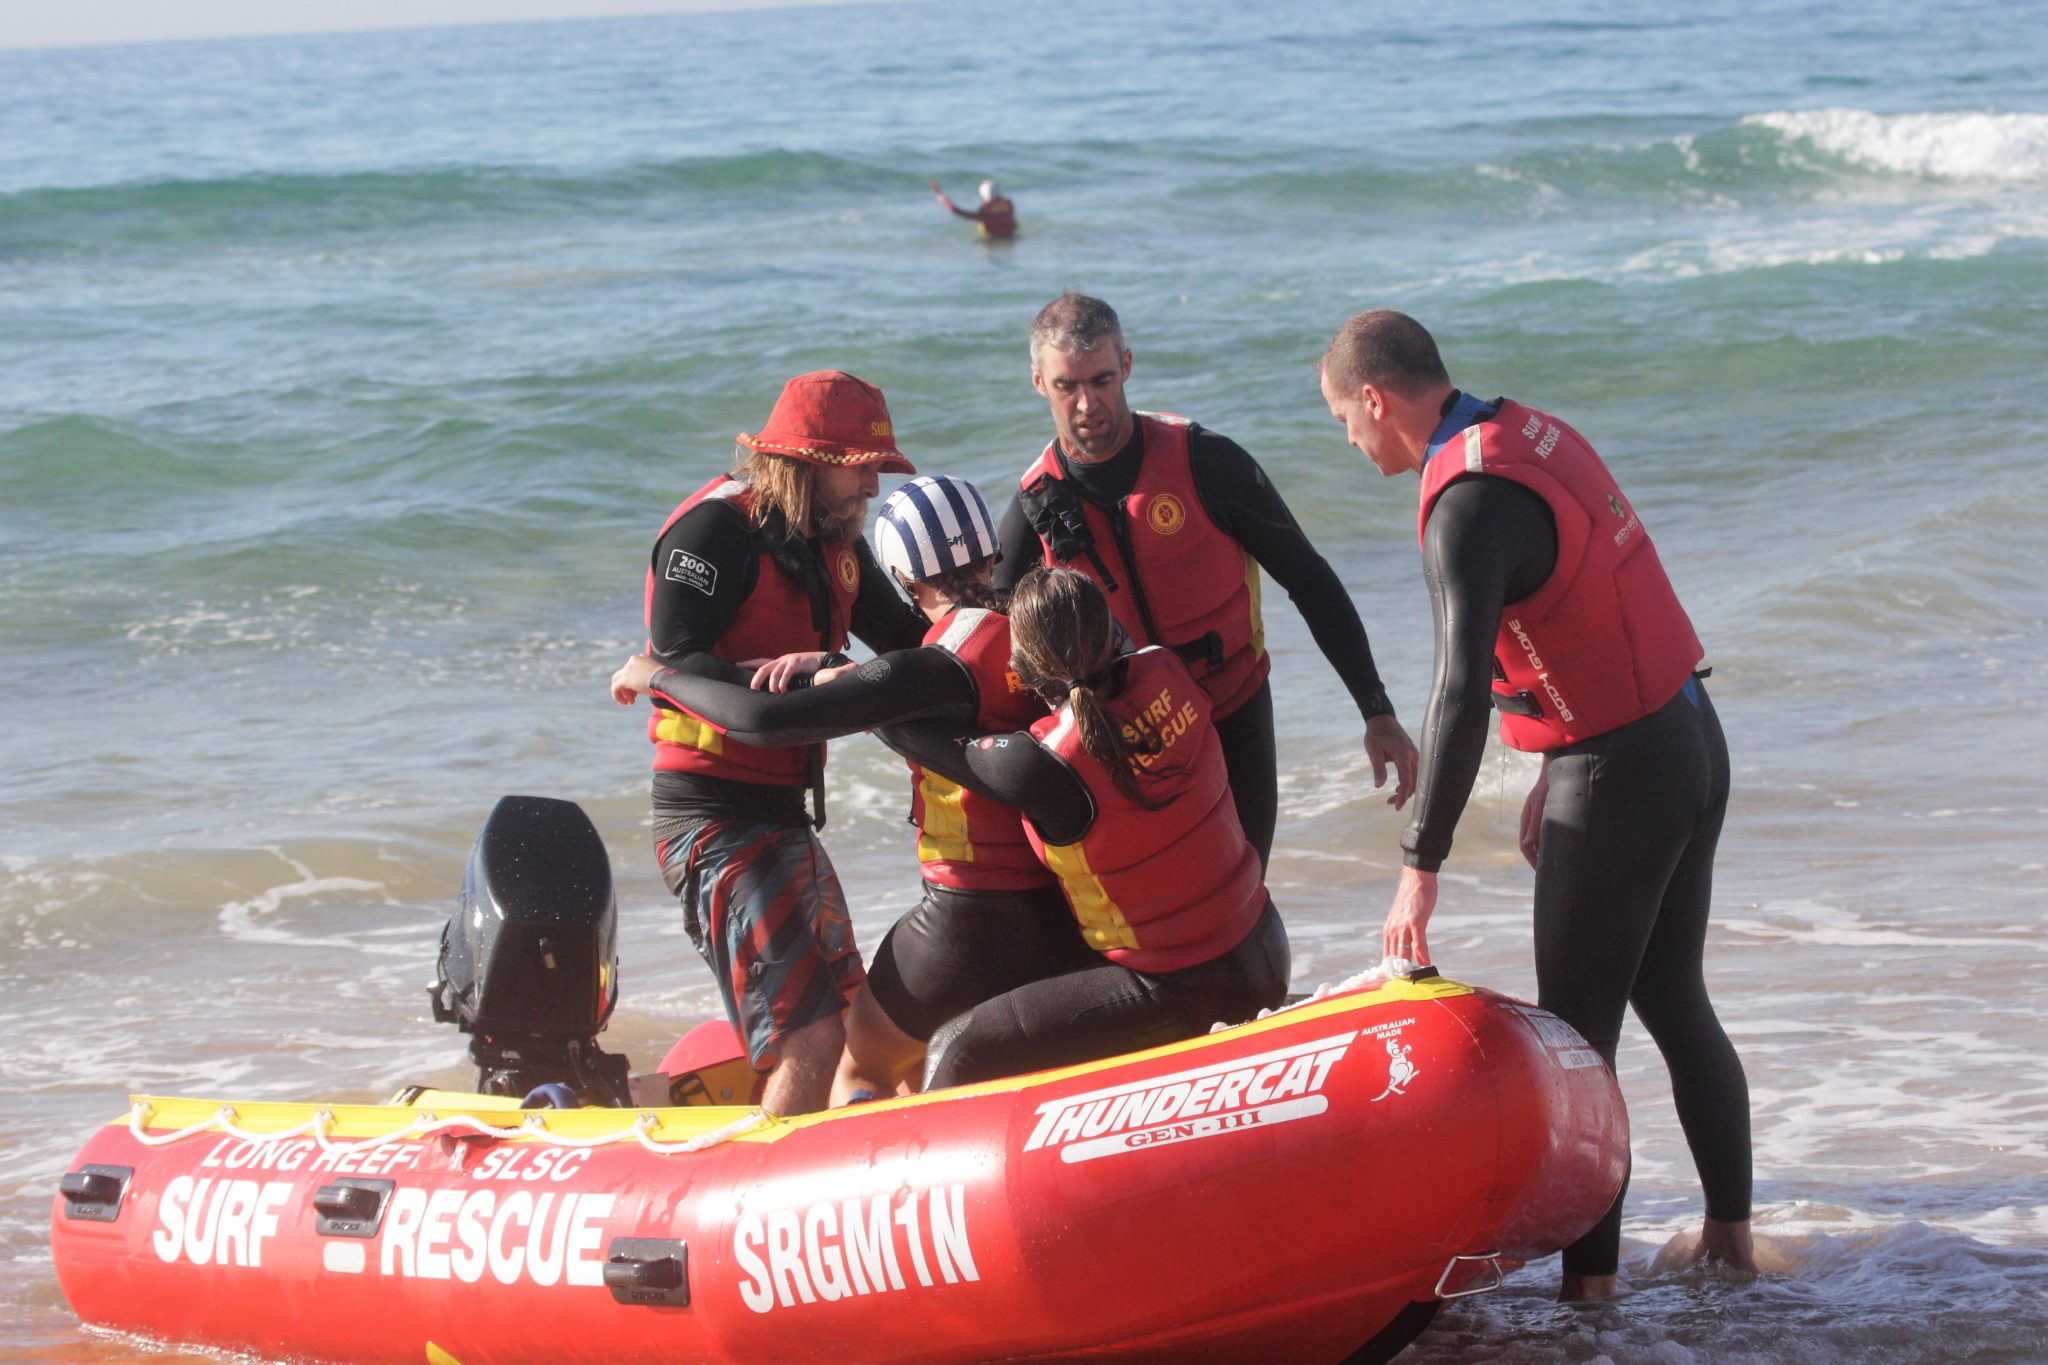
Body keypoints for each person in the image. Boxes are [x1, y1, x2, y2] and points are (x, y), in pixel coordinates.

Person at [1317, 309, 1756, 1299]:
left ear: (1376, 401)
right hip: (1685, 733)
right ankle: (1730, 1241)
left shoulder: (1462, 506)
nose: (1345, 439)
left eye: (1342, 418)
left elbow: (1459, 689)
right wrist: (1558, 763)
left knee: (1576, 1043)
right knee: (1673, 999)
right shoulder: (1521, 430)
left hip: (1622, 773)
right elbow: (1590, 606)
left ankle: (1588, 1300)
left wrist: (1416, 869)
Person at [614, 476, 1096, 1104]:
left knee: (850, 1059)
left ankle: (841, 1194)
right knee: (904, 1050)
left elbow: (764, 721)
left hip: (966, 915)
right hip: (1061, 906)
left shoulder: (931, 663)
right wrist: (833, 668)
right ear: (992, 555)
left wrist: (659, 673)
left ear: (907, 582)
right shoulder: (1038, 637)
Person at [996, 291, 1418, 870]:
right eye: (1068, 386)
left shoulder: (1205, 463)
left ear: (1126, 366)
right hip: (1127, 745)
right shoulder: (1034, 508)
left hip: (1233, 716)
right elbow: (998, 656)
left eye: (1101, 380)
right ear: (1040, 384)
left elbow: (1310, 581)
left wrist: (1376, 710)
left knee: (1244, 893)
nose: (1087, 403)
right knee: (1165, 918)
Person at [626, 370, 927, 1118]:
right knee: (814, 1039)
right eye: (857, 466)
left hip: (784, 816)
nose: (870, 486)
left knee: (868, 1027)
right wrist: (792, 681)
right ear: (805, 459)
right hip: (713, 822)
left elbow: (915, 643)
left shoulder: (835, 541)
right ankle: (766, 1204)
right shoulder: (713, 533)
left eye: (876, 469)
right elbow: (672, 662)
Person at [873, 566, 1290, 1088]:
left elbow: (910, 734)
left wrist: (840, 675)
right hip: (1266, 948)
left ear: (1024, 670)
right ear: (1112, 632)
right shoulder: (1168, 670)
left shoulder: (1047, 762)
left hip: (1182, 989)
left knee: (957, 1048)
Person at [928, 177, 1016, 238]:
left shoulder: (984, 214)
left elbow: (955, 210)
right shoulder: (1009, 205)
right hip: (1012, 237)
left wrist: (941, 197)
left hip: (992, 240)